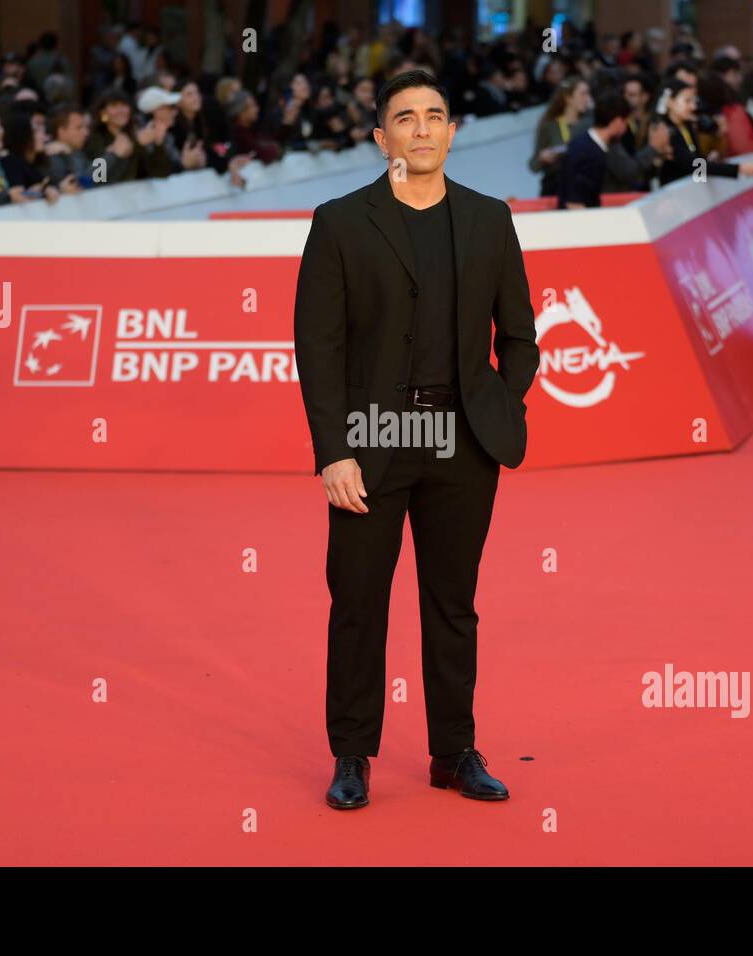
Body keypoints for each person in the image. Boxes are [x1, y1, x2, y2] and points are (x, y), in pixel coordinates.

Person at [293, 70, 539, 810]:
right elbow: (318, 347)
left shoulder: (490, 218)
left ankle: (455, 752)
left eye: (436, 115)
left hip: (462, 441)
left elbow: (520, 336)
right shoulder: (340, 222)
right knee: (359, 602)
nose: (423, 128)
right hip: (371, 440)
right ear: (381, 138)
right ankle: (352, 755)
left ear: (452, 132)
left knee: (453, 603)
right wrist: (333, 449)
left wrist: (497, 402)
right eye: (406, 117)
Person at [657, 79, 753, 185]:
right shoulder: (664, 132)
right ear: (670, 102)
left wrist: (708, 160)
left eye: (693, 101)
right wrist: (739, 169)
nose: (693, 106)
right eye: (687, 101)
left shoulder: (687, 125)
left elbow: (695, 161)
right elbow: (692, 165)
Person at [529, 76, 588, 198]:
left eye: (588, 94)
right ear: (568, 98)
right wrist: (542, 158)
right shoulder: (550, 127)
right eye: (583, 94)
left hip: (583, 188)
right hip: (555, 190)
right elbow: (533, 165)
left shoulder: (589, 124)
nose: (588, 99)